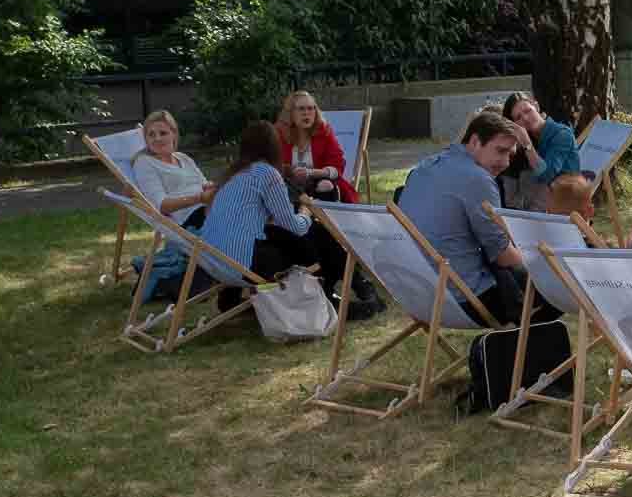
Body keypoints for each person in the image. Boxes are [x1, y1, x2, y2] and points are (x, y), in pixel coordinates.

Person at [196, 120, 370, 313]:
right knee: (314, 234)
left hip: (215, 260)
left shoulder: (232, 175)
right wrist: (306, 211)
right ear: (274, 146)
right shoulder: (268, 173)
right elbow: (296, 227)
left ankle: (231, 298)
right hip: (244, 263)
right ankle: (338, 293)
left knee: (290, 235)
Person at [400, 109, 537, 326]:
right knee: (550, 288)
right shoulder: (478, 178)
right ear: (474, 141)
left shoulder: (424, 166)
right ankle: (526, 353)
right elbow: (502, 255)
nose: (506, 163)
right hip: (462, 298)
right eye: (500, 151)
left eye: (510, 155)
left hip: (416, 295)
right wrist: (544, 263)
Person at [497, 91, 580, 211]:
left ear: (536, 106)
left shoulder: (561, 134)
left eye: (528, 111)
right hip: (539, 209)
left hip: (567, 207)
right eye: (518, 117)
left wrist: (527, 144)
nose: (525, 118)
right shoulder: (530, 139)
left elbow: (546, 175)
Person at [129, 110, 212, 230]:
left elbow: (204, 184)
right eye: (151, 134)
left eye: (163, 133)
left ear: (174, 134)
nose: (157, 138)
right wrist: (199, 198)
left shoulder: (184, 158)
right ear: (146, 139)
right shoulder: (144, 163)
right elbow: (161, 205)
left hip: (209, 208)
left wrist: (211, 188)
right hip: (191, 218)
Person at [275, 91, 359, 204]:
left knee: (326, 185)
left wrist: (311, 172)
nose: (306, 113)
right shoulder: (279, 134)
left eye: (311, 108)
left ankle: (322, 221)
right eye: (301, 109)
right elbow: (270, 166)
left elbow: (337, 167)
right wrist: (289, 173)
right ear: (290, 113)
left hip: (318, 183)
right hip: (288, 185)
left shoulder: (324, 132)